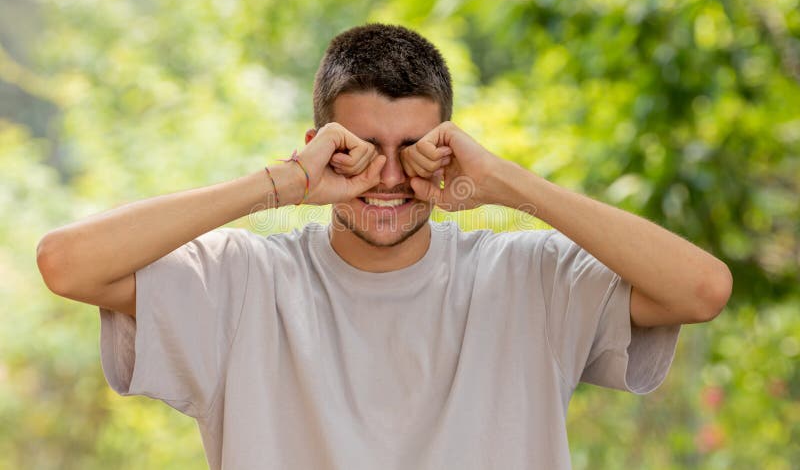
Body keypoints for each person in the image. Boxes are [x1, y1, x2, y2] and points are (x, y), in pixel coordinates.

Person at [36, 24, 732, 469]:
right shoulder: (242, 282)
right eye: (362, 149)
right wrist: (277, 186)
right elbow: (65, 263)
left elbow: (701, 289)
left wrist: (508, 184)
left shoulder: (530, 278)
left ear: (452, 146)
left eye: (414, 149)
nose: (391, 177)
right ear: (318, 147)